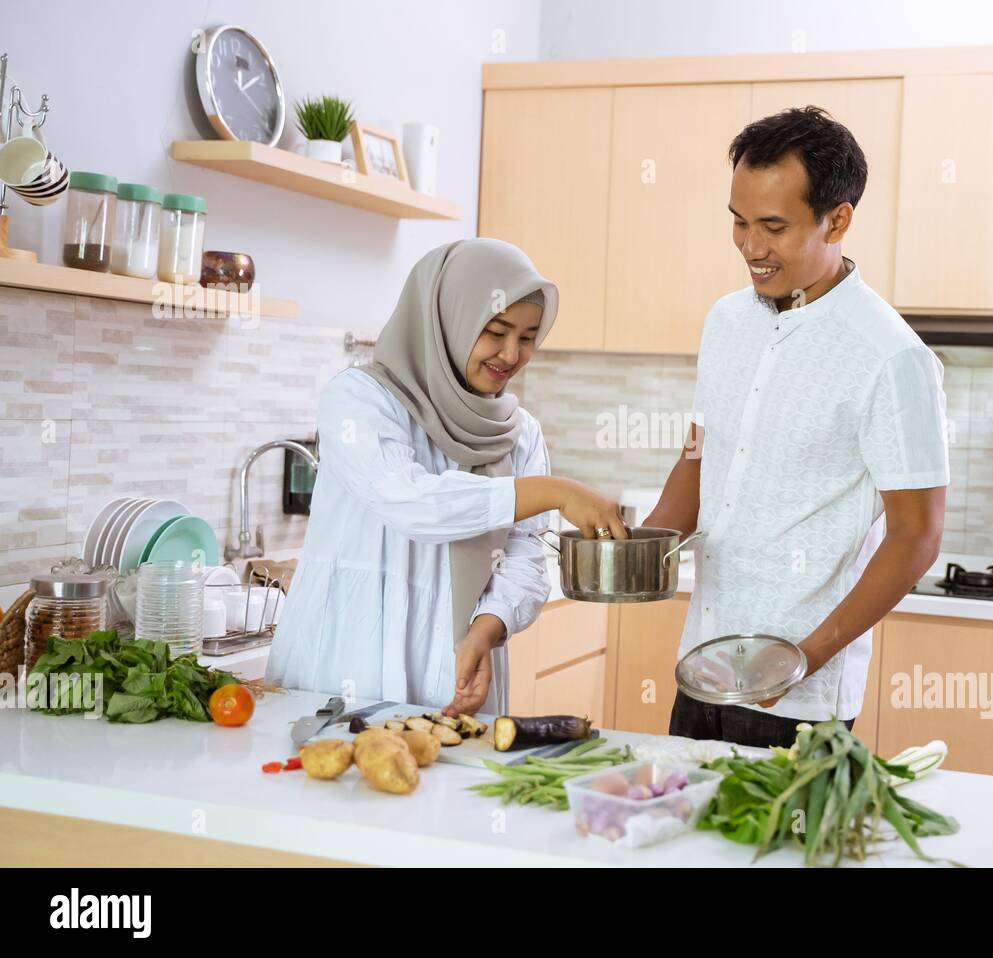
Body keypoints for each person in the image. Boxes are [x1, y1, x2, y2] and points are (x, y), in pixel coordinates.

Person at [646, 107, 950, 748]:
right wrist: (641, 549)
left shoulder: (892, 357)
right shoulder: (725, 321)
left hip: (800, 699)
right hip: (701, 667)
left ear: (837, 219)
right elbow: (701, 457)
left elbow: (916, 536)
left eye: (774, 227)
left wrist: (805, 656)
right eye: (738, 221)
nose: (751, 247)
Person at [266, 238, 627, 716]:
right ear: (447, 319)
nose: (511, 353)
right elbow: (410, 502)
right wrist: (553, 493)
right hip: (344, 664)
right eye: (496, 331)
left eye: (527, 336)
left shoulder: (520, 434)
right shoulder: (360, 400)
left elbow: (525, 557)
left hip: (460, 680)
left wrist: (488, 627)